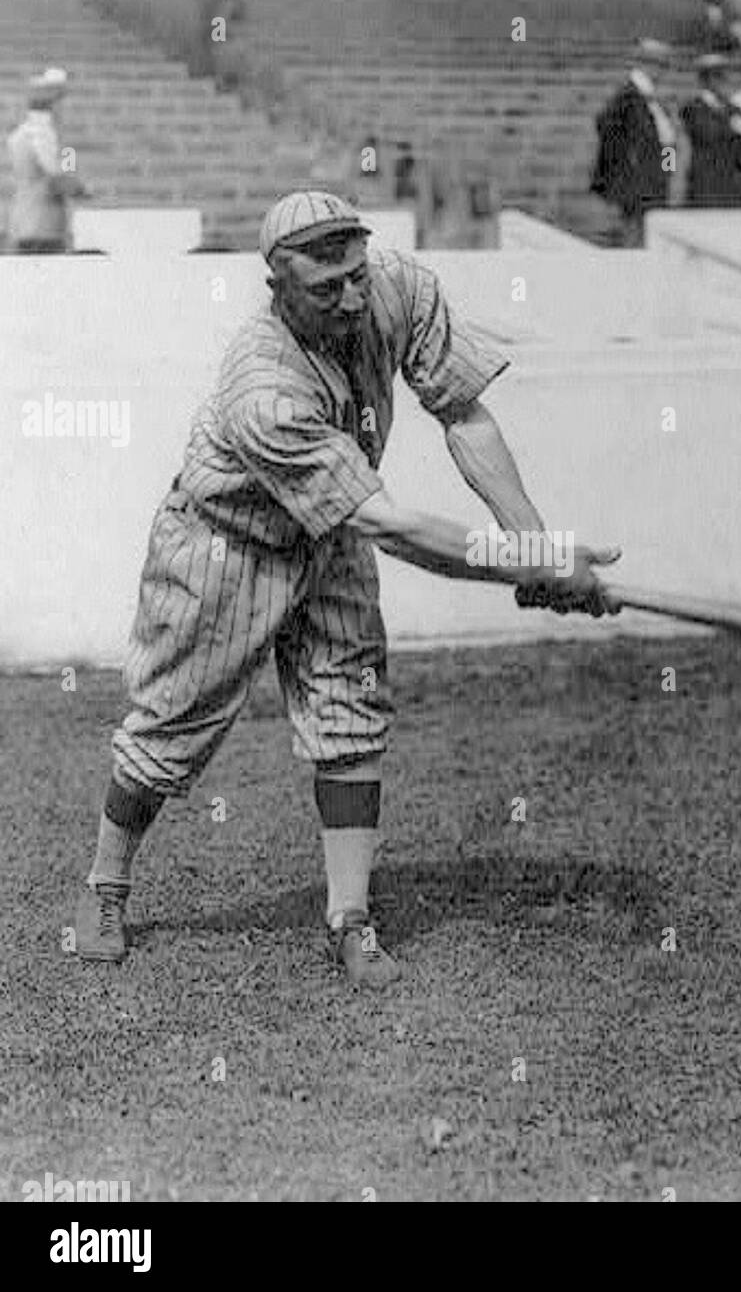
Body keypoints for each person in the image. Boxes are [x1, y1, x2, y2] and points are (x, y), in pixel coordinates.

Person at [73, 190, 620, 986]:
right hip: (229, 543)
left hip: (333, 534)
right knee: (172, 724)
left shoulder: (401, 287)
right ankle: (105, 886)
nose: (353, 298)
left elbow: (464, 415)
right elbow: (390, 528)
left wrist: (534, 544)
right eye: (327, 288)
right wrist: (533, 562)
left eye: (357, 274)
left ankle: (350, 919)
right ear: (279, 288)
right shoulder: (263, 386)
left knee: (351, 712)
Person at [591, 38, 682, 246]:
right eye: (661, 65)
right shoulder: (629, 96)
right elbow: (606, 128)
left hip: (655, 180)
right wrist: (626, 168)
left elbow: (668, 141)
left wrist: (668, 170)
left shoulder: (654, 100)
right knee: (635, 239)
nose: (663, 71)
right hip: (638, 185)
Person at [6, 67, 86, 253]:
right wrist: (83, 190)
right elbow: (58, 179)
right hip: (41, 227)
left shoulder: (24, 133)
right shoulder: (42, 135)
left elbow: (67, 171)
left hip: (28, 222)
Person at [679, 54, 741, 209]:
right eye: (717, 75)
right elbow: (708, 134)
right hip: (706, 185)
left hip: (733, 185)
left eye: (723, 75)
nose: (722, 80)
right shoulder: (693, 108)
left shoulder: (733, 108)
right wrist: (734, 130)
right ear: (705, 79)